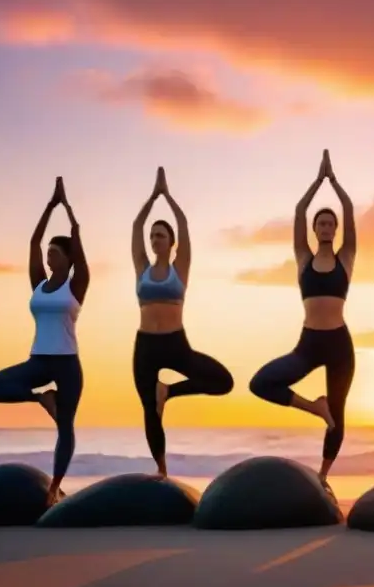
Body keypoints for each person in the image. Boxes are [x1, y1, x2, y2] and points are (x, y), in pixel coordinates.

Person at [0, 177, 89, 506]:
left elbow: (79, 245)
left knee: (66, 428)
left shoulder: (76, 284)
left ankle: (53, 489)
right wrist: (49, 206)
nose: (50, 257)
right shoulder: (39, 284)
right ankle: (41, 398)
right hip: (38, 361)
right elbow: (33, 242)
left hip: (67, 362)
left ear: (68, 260)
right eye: (49, 253)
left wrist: (67, 211)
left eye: (56, 253)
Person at [249, 150, 356, 485]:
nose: (326, 227)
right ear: (314, 229)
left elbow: (350, 211)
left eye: (330, 224)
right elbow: (298, 211)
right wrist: (317, 182)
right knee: (261, 383)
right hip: (309, 344)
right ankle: (314, 407)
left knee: (337, 416)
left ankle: (323, 476)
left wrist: (334, 183)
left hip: (339, 343)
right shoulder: (303, 258)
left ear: (336, 230)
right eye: (321, 223)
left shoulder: (346, 258)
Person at [132, 166, 233, 477]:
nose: (154, 239)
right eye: (152, 236)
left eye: (160, 235)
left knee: (222, 382)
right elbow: (136, 226)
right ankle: (162, 471)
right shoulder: (142, 267)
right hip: (146, 344)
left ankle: (170, 392)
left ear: (171, 242)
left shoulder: (181, 267)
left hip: (176, 343)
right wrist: (152, 197)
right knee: (150, 411)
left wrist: (168, 196)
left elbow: (183, 224)